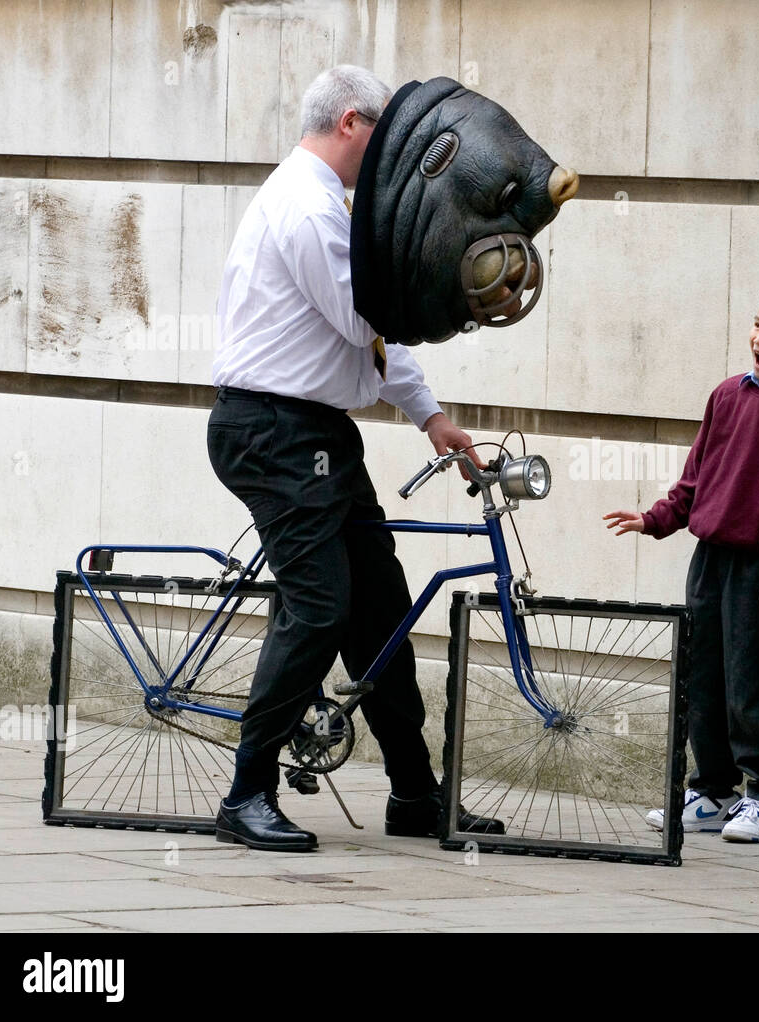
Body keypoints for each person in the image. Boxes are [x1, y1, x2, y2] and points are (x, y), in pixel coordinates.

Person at [207, 65, 501, 851]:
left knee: (380, 607)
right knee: (320, 606)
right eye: (385, 137)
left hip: (316, 434)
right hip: (273, 431)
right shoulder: (306, 207)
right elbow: (363, 314)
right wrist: (445, 281)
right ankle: (246, 792)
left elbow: (373, 335)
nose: (390, 157)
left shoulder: (327, 206)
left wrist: (431, 416)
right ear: (350, 122)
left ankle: (413, 794)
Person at [604, 286, 759, 842]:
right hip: (708, 559)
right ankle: (710, 790)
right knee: (701, 675)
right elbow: (694, 478)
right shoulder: (727, 396)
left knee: (750, 678)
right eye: (758, 324)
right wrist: (656, 518)